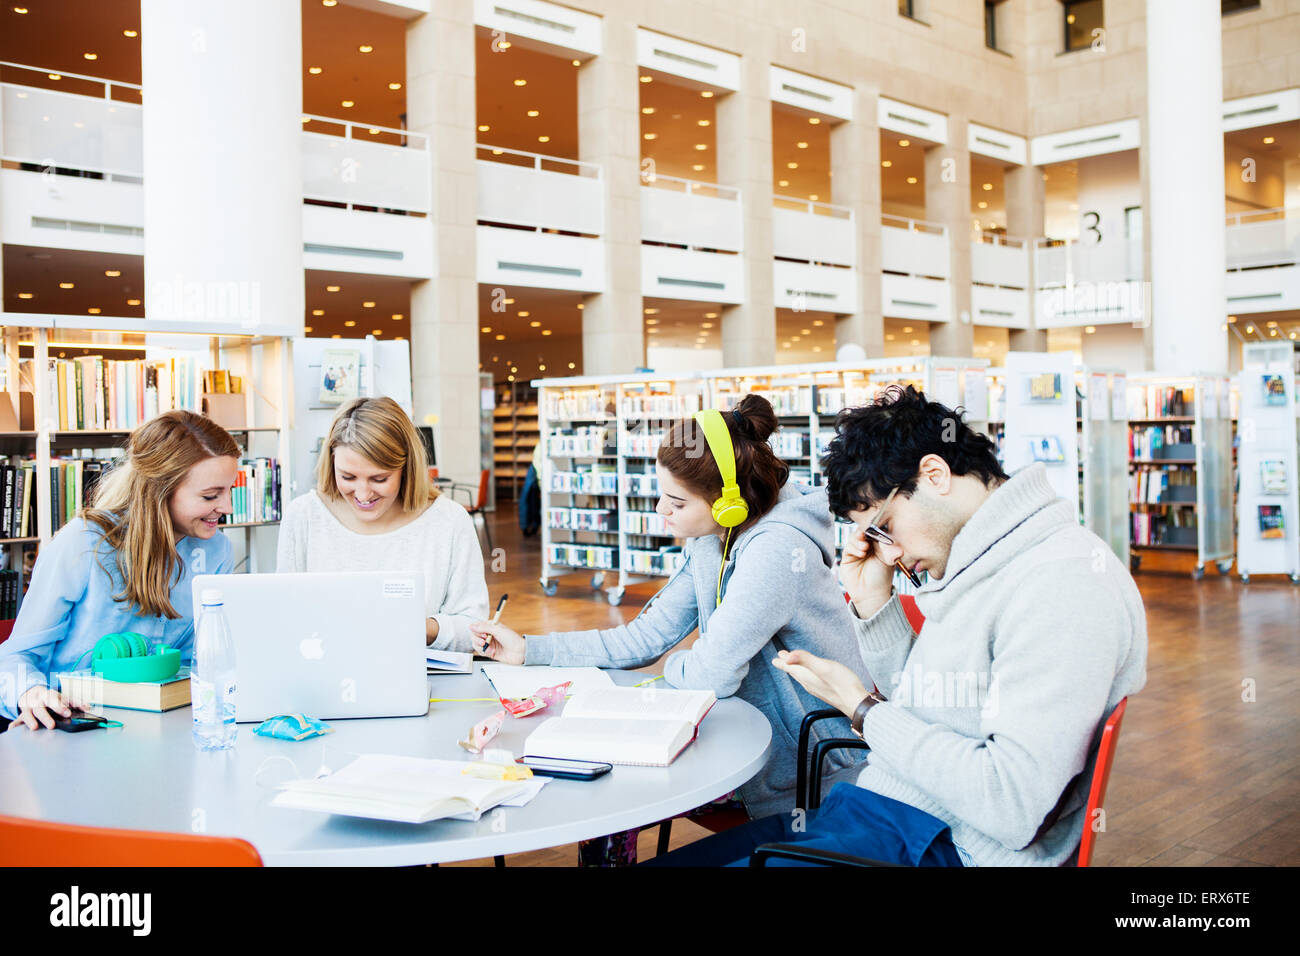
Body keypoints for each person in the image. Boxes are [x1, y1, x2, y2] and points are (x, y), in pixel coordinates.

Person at [647, 384, 1147, 866]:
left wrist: (863, 710)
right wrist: (874, 604)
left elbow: (1011, 805)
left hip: (940, 844)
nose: (890, 551)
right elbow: (932, 706)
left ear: (934, 475)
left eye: (883, 527)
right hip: (884, 814)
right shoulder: (984, 558)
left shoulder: (1062, 584)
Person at [471, 394, 870, 855]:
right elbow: (645, 636)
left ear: (730, 502)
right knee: (605, 780)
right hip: (744, 732)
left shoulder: (776, 549)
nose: (662, 510)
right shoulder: (714, 535)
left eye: (677, 501)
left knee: (613, 784)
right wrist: (527, 649)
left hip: (806, 767)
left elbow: (710, 675)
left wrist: (676, 667)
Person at [0, 411, 240, 731]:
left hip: (166, 728)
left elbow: (203, 659)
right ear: (160, 491)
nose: (227, 508)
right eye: (211, 495)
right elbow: (15, 657)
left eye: (229, 491)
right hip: (76, 729)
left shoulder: (216, 552)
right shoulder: (83, 543)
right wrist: (30, 692)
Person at [277, 396, 489, 652]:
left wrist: (421, 628)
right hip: (322, 681)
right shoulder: (304, 516)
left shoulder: (449, 521)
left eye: (379, 478)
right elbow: (286, 617)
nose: (363, 494)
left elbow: (474, 630)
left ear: (406, 468)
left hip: (422, 683)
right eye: (348, 476)